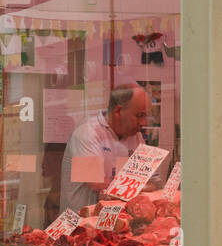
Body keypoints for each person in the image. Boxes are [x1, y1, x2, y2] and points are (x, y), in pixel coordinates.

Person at [59, 84, 152, 213]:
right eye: (139, 115)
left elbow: (150, 180)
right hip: (81, 224)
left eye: (145, 116)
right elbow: (96, 183)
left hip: (114, 220)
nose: (144, 123)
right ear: (118, 111)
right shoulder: (86, 133)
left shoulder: (136, 137)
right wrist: (139, 189)